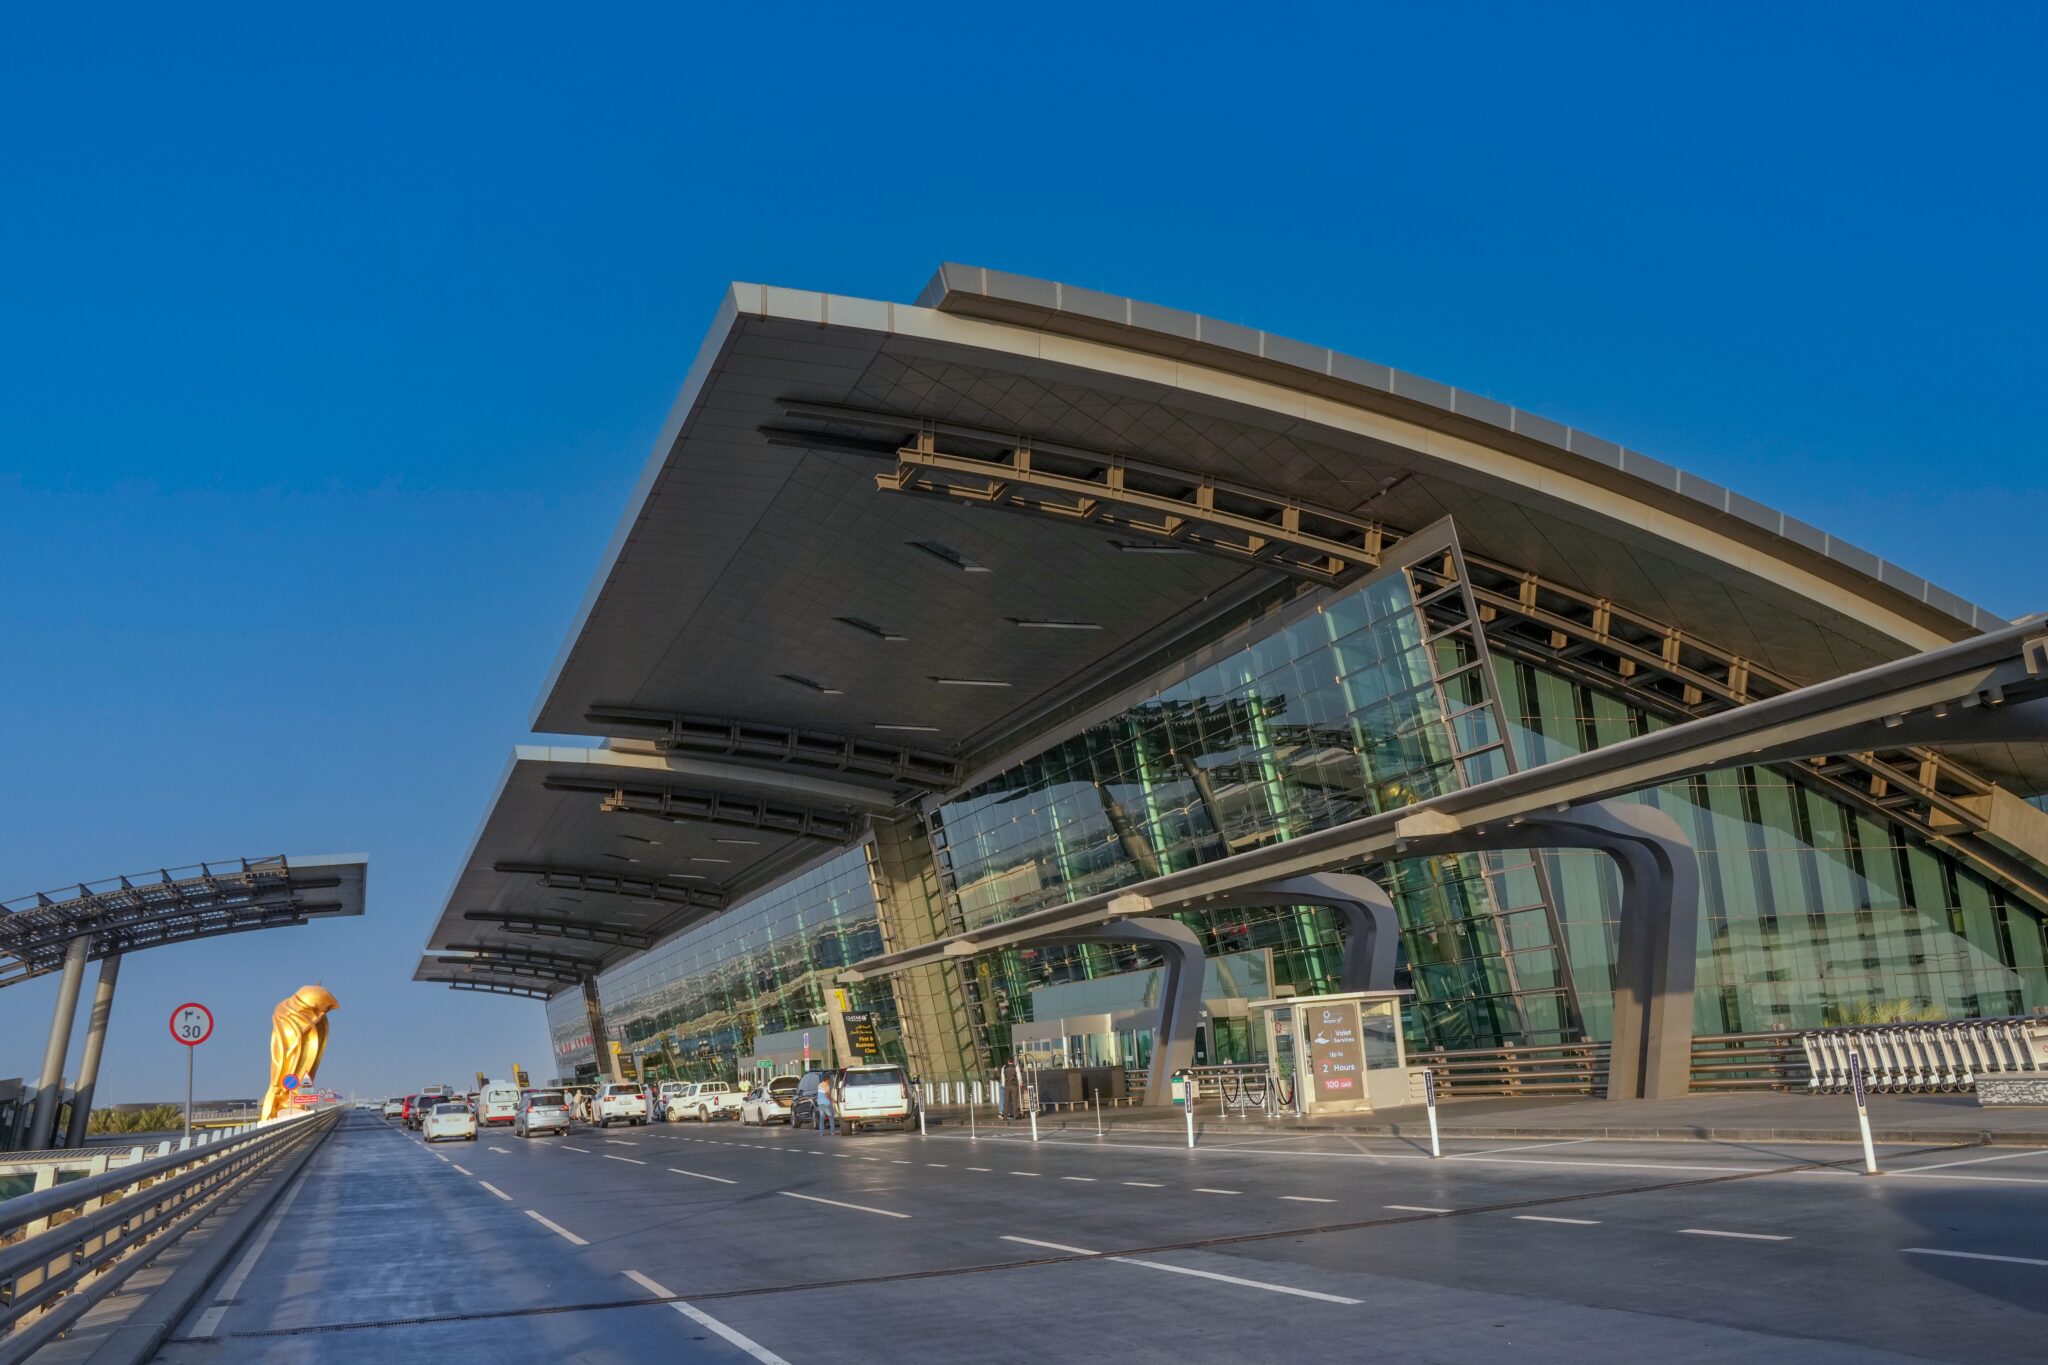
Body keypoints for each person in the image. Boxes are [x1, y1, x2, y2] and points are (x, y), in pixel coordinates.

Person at [815, 1072, 839, 1137]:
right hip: (826, 1104)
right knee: (831, 1117)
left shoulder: (819, 1085)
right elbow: (827, 1095)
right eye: (829, 1080)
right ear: (827, 1079)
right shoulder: (826, 1085)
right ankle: (832, 1132)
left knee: (821, 1118)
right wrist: (832, 1100)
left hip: (820, 1103)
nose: (829, 1081)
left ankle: (821, 1133)